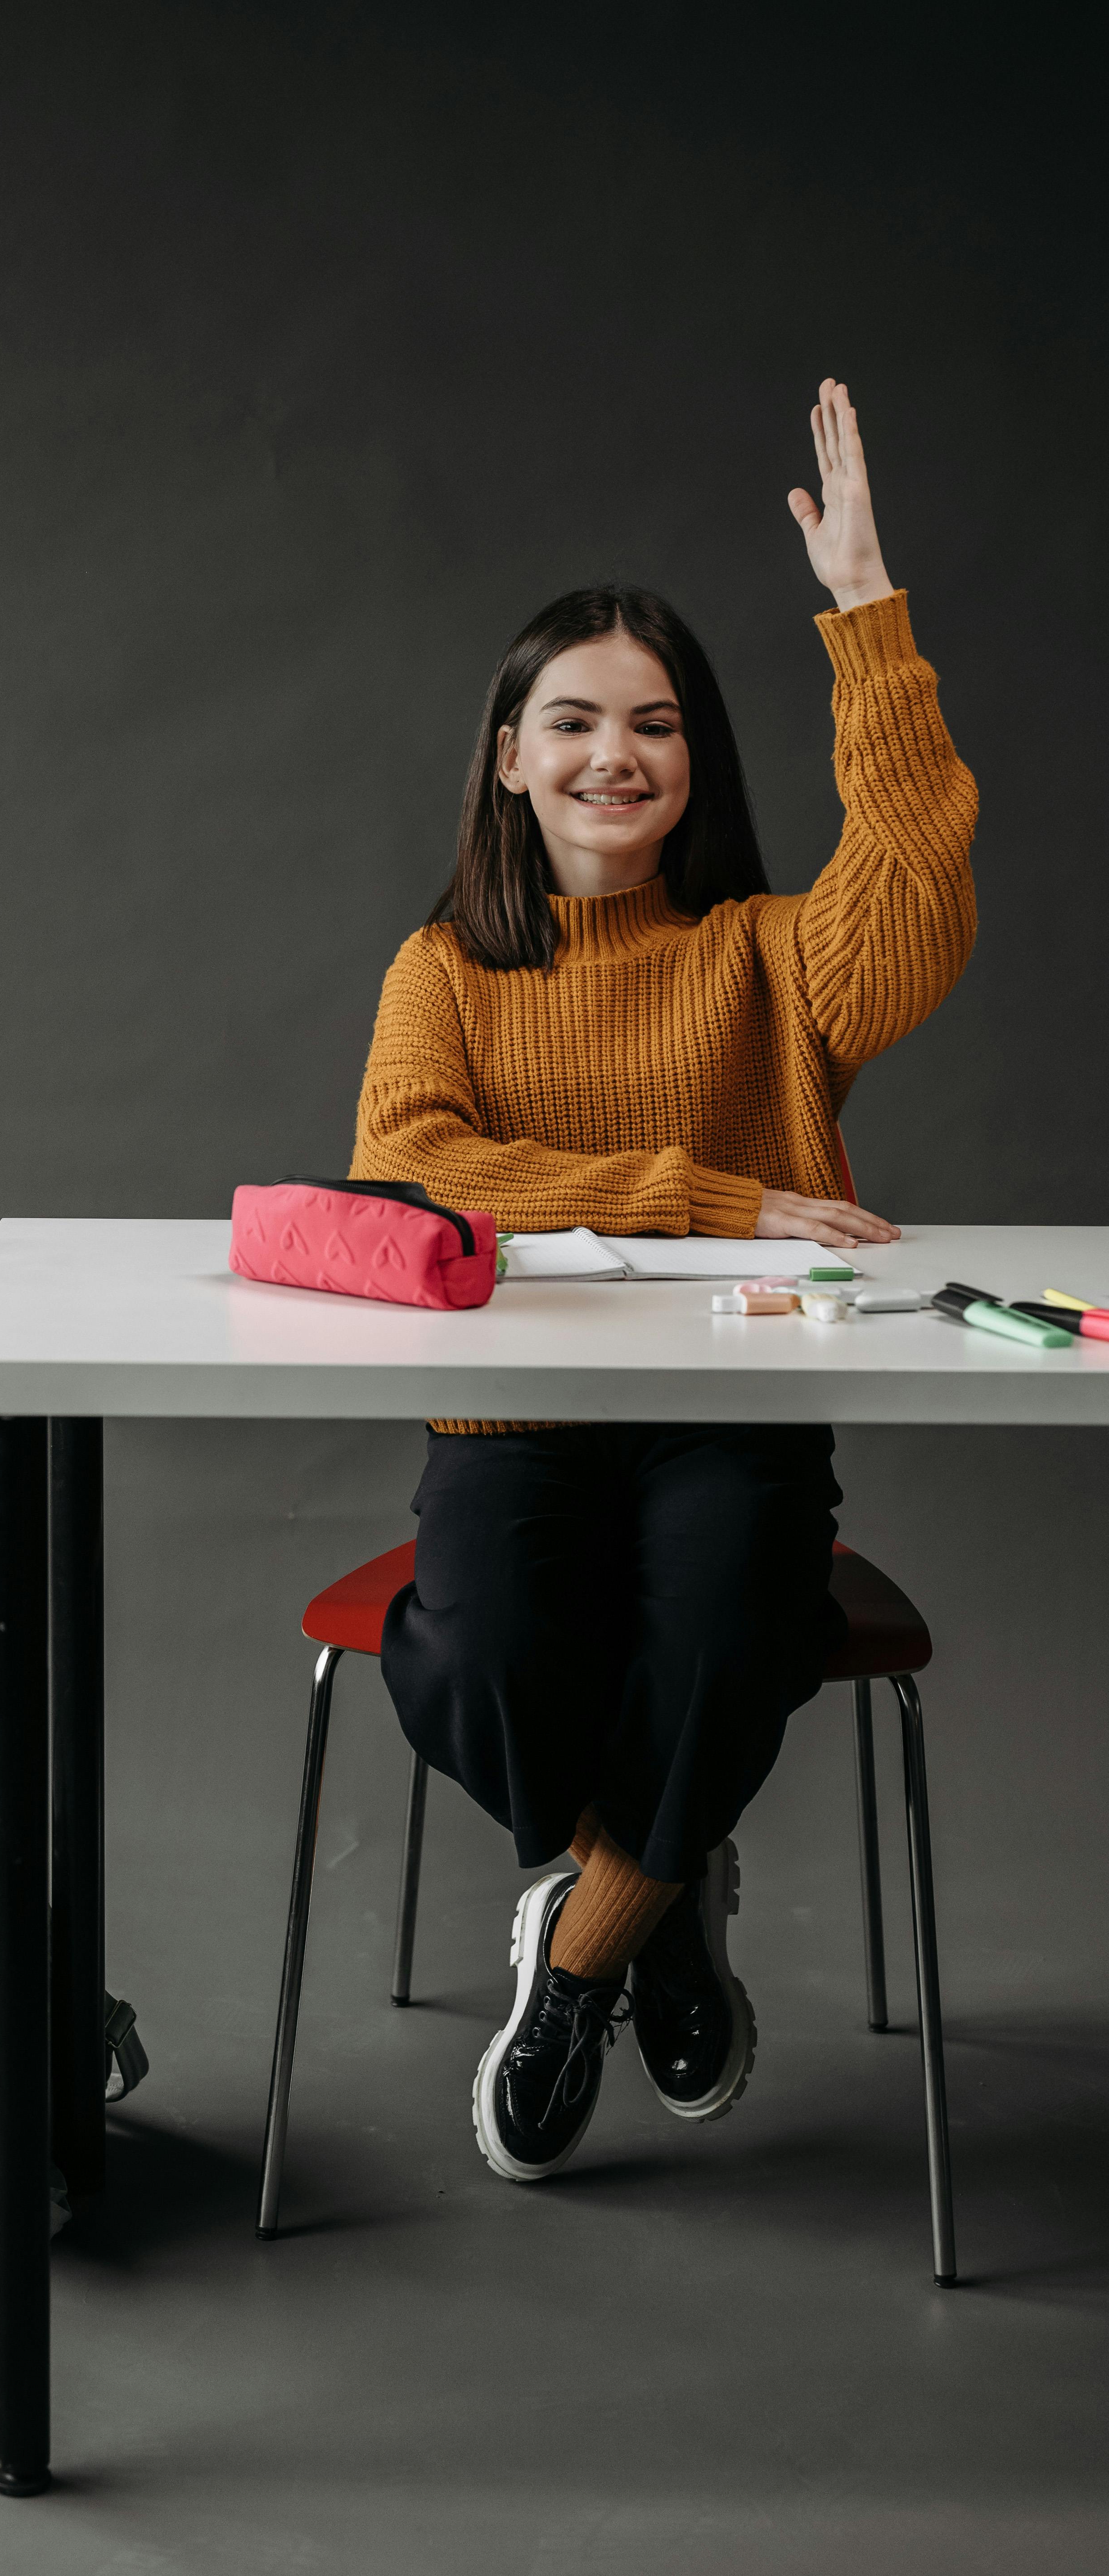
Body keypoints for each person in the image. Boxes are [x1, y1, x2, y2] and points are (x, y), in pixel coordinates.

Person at [349, 381, 978, 2183]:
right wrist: (708, 1198)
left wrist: (865, 618)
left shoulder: (776, 960)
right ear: (507, 757)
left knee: (726, 1630)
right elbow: (415, 1168)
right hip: (519, 1416)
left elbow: (917, 891)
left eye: (654, 723)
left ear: (695, 762)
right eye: (571, 721)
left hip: (735, 1417)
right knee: (474, 1654)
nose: (611, 755)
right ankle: (664, 1890)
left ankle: (581, 1955)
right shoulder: (443, 972)